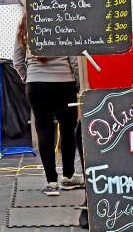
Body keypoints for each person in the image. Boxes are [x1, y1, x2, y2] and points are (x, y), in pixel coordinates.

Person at [13, 12, 82, 196]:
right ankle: (68, 176)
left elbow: (17, 62)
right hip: (64, 84)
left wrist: (29, 78)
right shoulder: (64, 23)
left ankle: (51, 182)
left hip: (36, 86)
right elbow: (74, 61)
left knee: (44, 133)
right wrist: (79, 85)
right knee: (68, 131)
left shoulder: (24, 26)